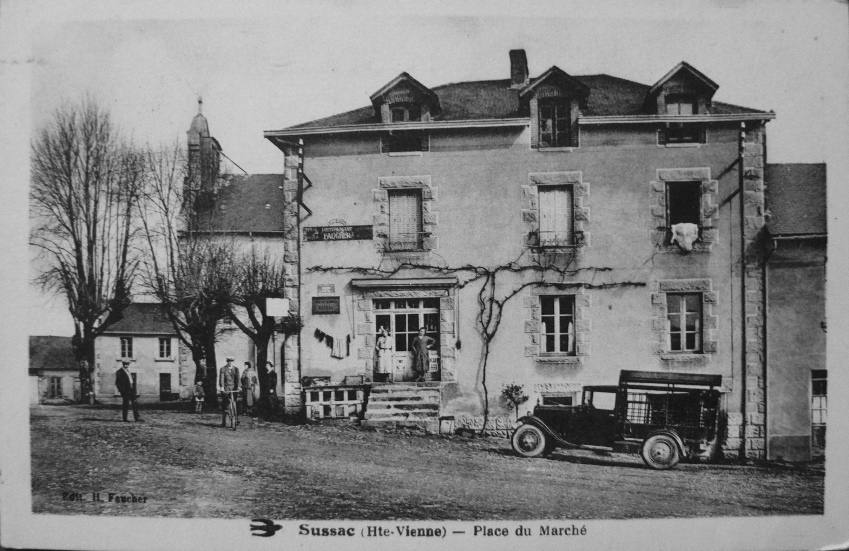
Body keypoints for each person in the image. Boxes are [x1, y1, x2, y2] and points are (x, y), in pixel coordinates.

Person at [217, 356, 240, 428]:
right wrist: (222, 387)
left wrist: (239, 386)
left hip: (234, 388)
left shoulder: (236, 369)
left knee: (235, 403)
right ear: (227, 362)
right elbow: (221, 378)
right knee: (225, 404)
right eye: (229, 361)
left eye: (231, 361)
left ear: (233, 362)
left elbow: (238, 379)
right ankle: (224, 421)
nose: (230, 363)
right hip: (226, 389)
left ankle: (236, 419)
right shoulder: (223, 369)